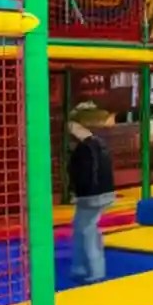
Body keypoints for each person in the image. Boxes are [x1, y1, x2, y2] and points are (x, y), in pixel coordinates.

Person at [67, 121, 115, 283]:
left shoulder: (84, 149)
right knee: (82, 227)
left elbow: (86, 175)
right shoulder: (99, 144)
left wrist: (80, 194)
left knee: (87, 230)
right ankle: (80, 266)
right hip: (101, 193)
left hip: (92, 195)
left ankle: (96, 270)